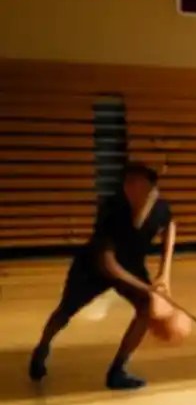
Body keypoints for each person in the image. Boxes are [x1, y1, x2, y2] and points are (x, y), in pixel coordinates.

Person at [29, 161, 177, 390]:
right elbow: (108, 265)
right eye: (131, 183)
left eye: (144, 186)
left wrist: (164, 274)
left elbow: (170, 226)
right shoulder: (112, 208)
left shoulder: (159, 207)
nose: (137, 189)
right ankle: (42, 347)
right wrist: (147, 287)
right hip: (92, 267)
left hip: (131, 264)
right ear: (126, 186)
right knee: (64, 311)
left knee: (146, 308)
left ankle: (117, 370)